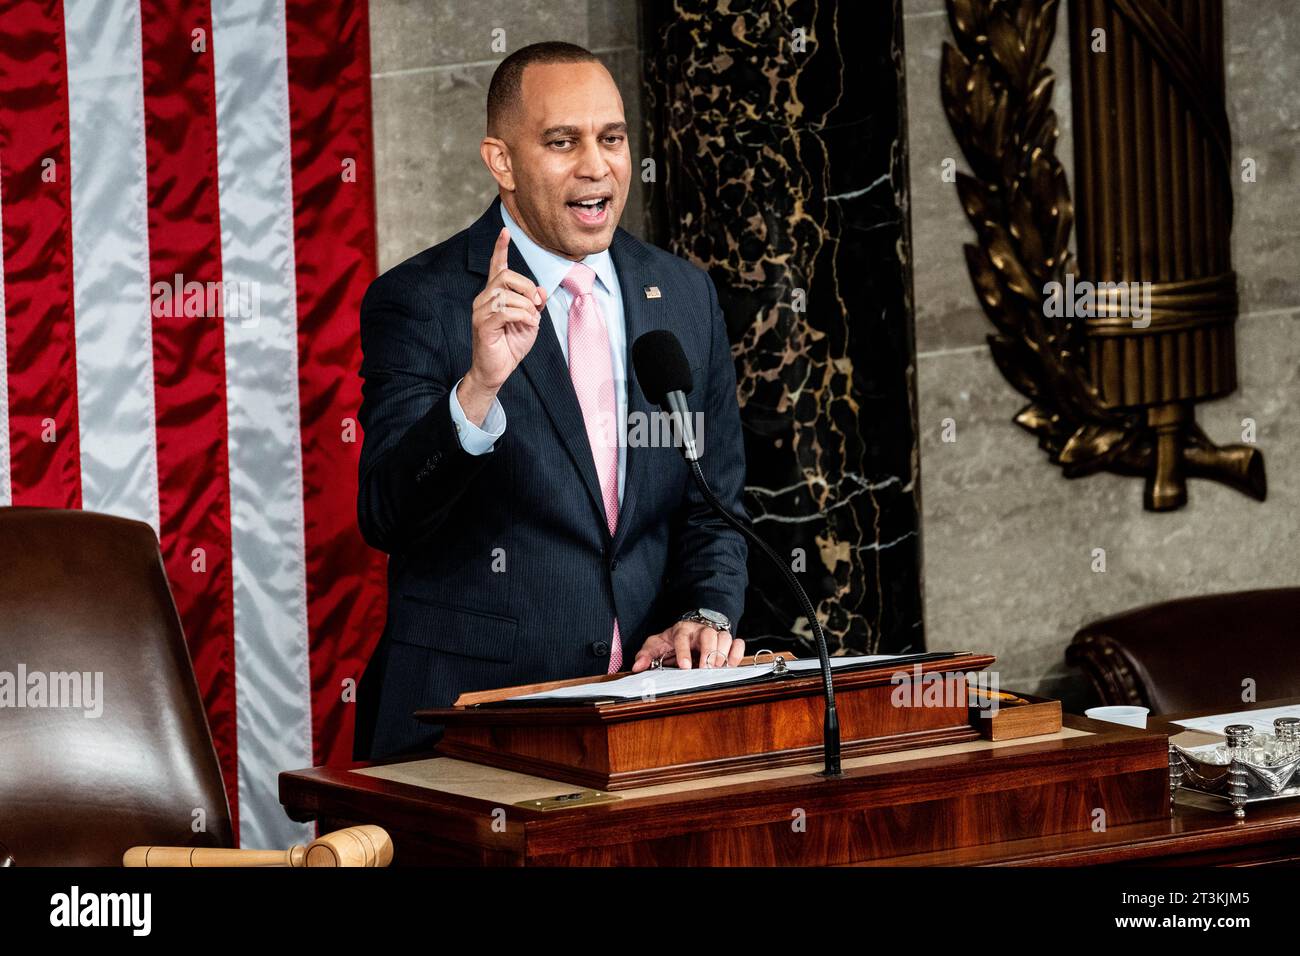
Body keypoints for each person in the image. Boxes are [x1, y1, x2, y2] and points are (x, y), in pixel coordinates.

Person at [353, 41, 749, 760]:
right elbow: (388, 513)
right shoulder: (422, 302)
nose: (596, 166)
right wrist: (477, 389)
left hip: (644, 729)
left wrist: (703, 615)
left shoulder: (685, 297)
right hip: (471, 732)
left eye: (613, 139)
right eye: (563, 142)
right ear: (501, 161)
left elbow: (712, 506)